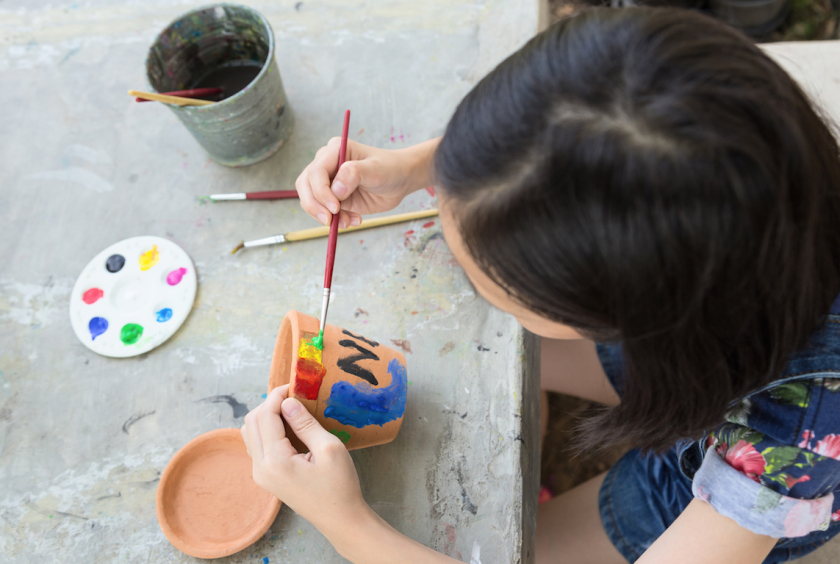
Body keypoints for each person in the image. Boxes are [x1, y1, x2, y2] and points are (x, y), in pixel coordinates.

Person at [240, 7, 840, 563]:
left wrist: (348, 524)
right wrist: (434, 167)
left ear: (634, 315)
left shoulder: (788, 448)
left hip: (718, 473)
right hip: (715, 345)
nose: (482, 287)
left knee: (529, 543)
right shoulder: (740, 173)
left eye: (504, 291)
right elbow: (577, 142)